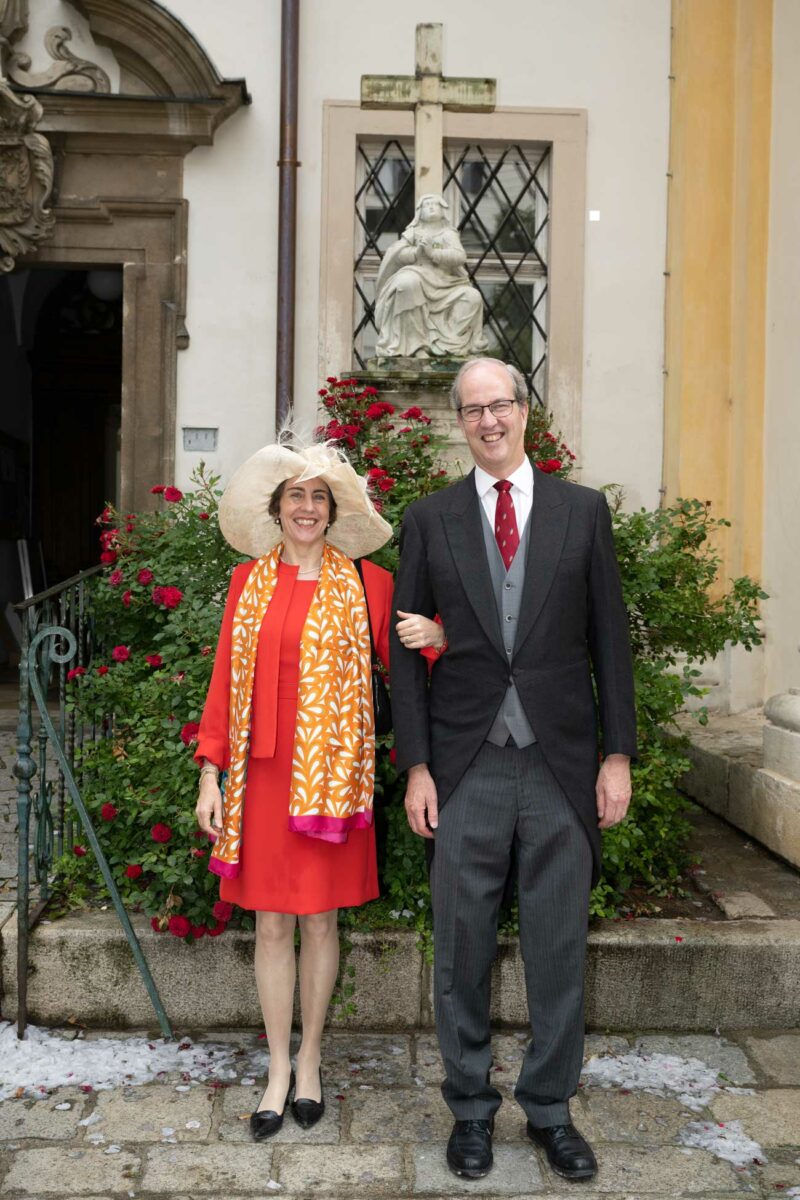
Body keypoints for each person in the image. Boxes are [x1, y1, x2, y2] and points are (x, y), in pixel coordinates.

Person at [390, 358, 637, 1183]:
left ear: (525, 412)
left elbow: (611, 646)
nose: (487, 421)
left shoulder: (581, 512)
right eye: (471, 410)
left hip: (561, 765)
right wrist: (418, 767)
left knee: (559, 945)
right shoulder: (429, 520)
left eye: (499, 405)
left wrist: (617, 755)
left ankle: (550, 1110)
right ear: (457, 422)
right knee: (460, 948)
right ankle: (468, 1109)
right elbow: (406, 655)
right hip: (466, 766)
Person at [194, 432, 440, 1141]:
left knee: (320, 921)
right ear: (277, 509)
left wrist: (438, 637)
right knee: (270, 924)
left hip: (331, 780)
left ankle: (310, 1062)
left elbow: (417, 672)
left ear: (334, 511)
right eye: (295, 496)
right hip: (260, 779)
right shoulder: (247, 584)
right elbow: (223, 685)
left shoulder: (370, 584)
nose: (307, 508)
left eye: (319, 497)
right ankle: (275, 1068)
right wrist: (210, 772)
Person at [374, 193, 488, 359]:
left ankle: (451, 346)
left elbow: (459, 256)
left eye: (436, 205)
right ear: (420, 212)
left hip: (446, 283)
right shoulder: (413, 232)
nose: (431, 207)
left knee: (472, 296)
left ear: (443, 211)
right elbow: (398, 254)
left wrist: (434, 253)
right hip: (419, 274)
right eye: (427, 206)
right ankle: (415, 345)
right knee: (406, 283)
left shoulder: (448, 233)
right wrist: (416, 252)